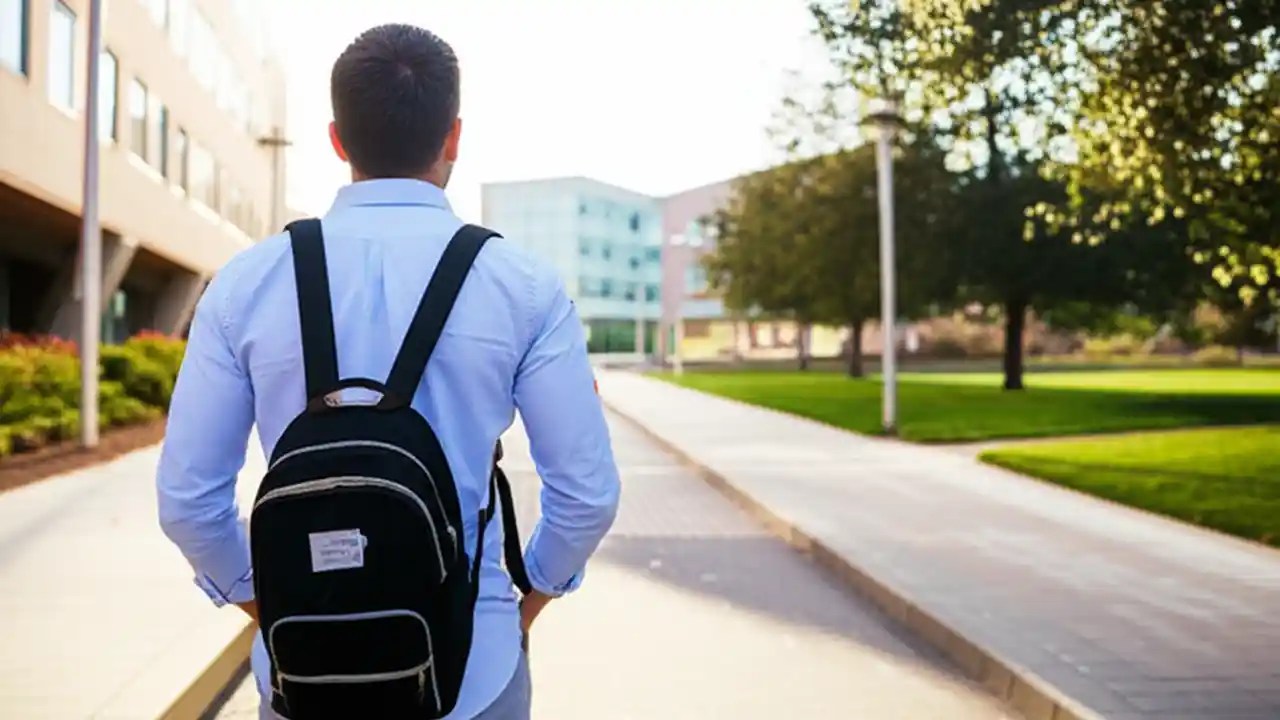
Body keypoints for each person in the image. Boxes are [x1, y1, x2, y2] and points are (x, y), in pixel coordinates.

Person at [156, 23, 621, 720]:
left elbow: (189, 502)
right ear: (454, 138)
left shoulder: (243, 285)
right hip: (475, 675)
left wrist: (274, 605)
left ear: (338, 139)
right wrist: (517, 608)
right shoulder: (521, 286)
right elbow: (586, 495)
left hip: (301, 684)